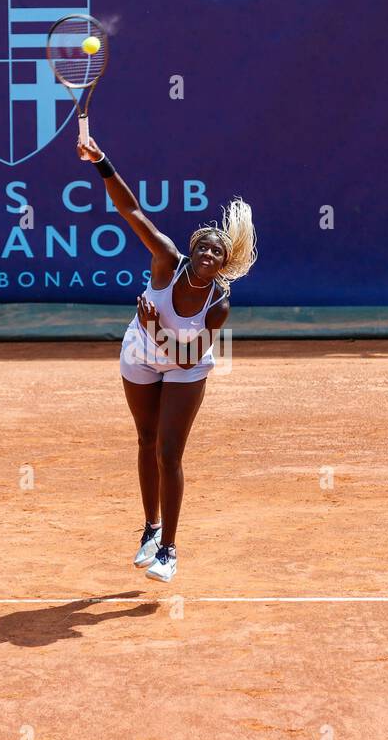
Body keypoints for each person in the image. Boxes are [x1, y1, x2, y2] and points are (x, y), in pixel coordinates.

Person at [77, 136, 257, 582]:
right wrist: (100, 160)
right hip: (139, 354)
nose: (208, 255)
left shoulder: (219, 304)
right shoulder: (164, 258)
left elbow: (187, 354)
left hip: (186, 364)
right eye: (203, 248)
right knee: (144, 440)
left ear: (223, 262)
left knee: (169, 451)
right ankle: (150, 530)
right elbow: (131, 211)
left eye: (217, 252)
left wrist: (156, 326)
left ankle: (169, 551)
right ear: (191, 250)